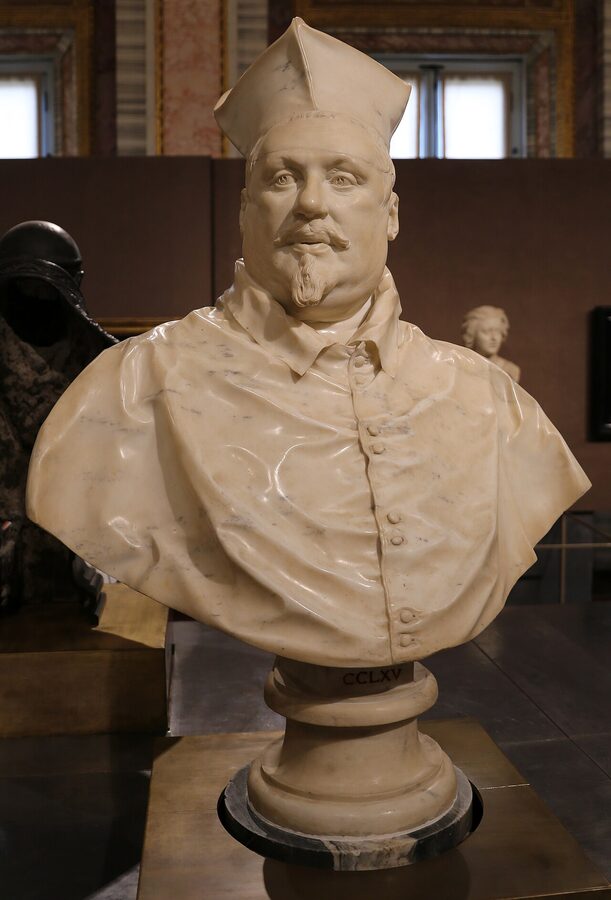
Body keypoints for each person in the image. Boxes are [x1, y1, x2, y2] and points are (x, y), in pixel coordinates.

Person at [27, 20, 589, 667]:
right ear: (245, 211)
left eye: (344, 178)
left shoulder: (489, 399)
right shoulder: (132, 390)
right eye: (282, 178)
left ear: (391, 214)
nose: (312, 204)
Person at [0, 221, 115, 616]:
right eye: (25, 289)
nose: (35, 300)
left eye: (45, 290)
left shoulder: (102, 366)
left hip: (78, 568)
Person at [462, 305, 521, 382]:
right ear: (472, 335)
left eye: (498, 331)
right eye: (486, 332)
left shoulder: (510, 370)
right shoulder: (463, 366)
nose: (494, 338)